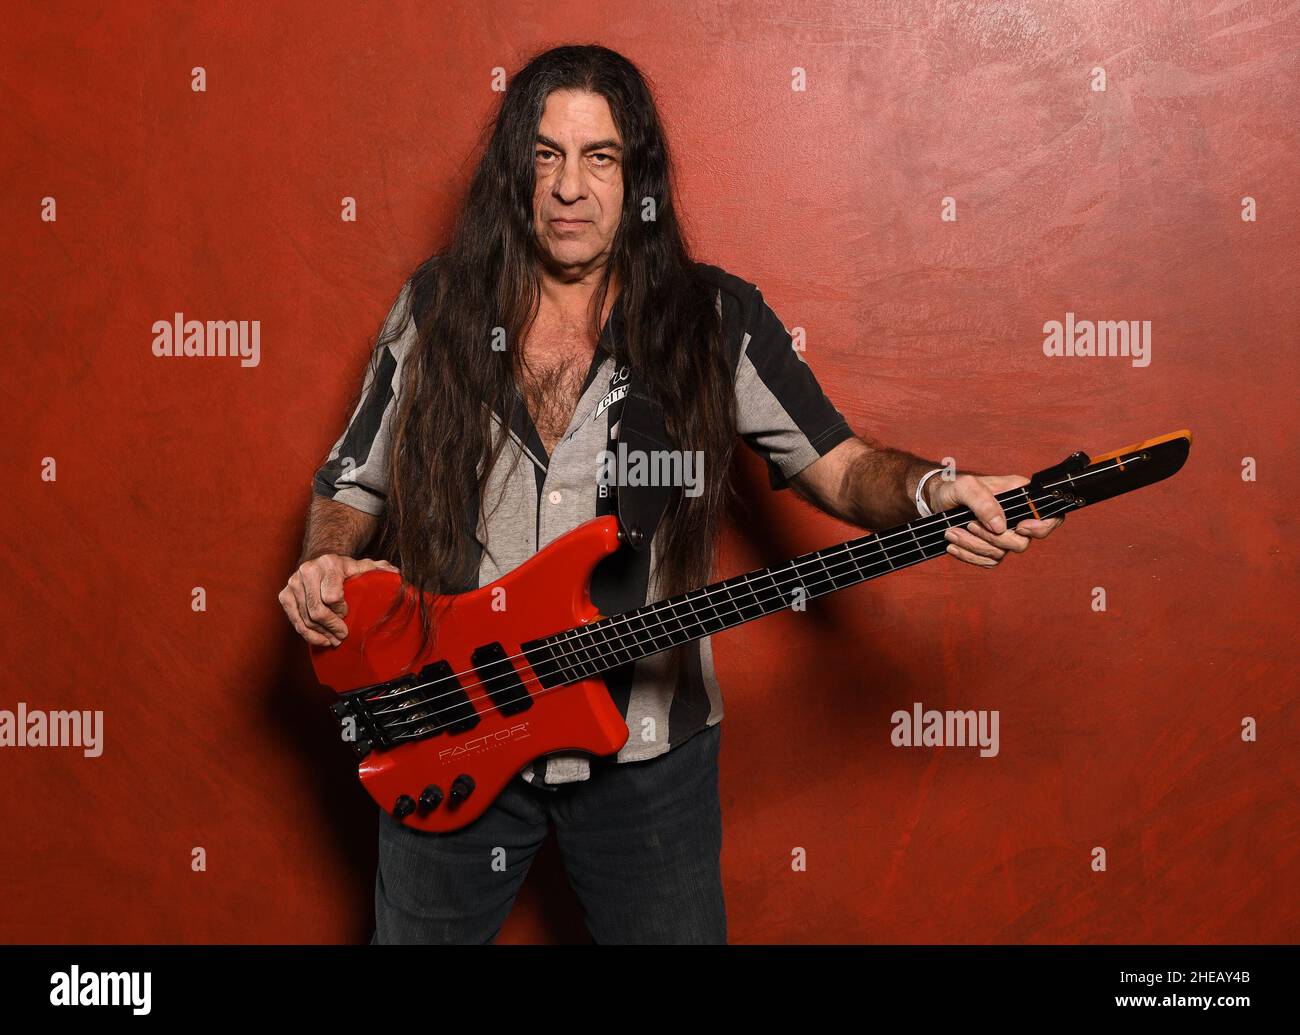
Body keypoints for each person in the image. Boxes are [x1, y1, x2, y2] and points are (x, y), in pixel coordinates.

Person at [277, 44, 1062, 945]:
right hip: (449, 722)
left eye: (600, 157)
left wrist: (934, 488)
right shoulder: (438, 306)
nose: (570, 186)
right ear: (515, 173)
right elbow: (350, 480)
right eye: (546, 155)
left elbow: (842, 465)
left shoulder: (714, 320)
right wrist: (325, 559)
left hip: (648, 760)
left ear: (636, 174)